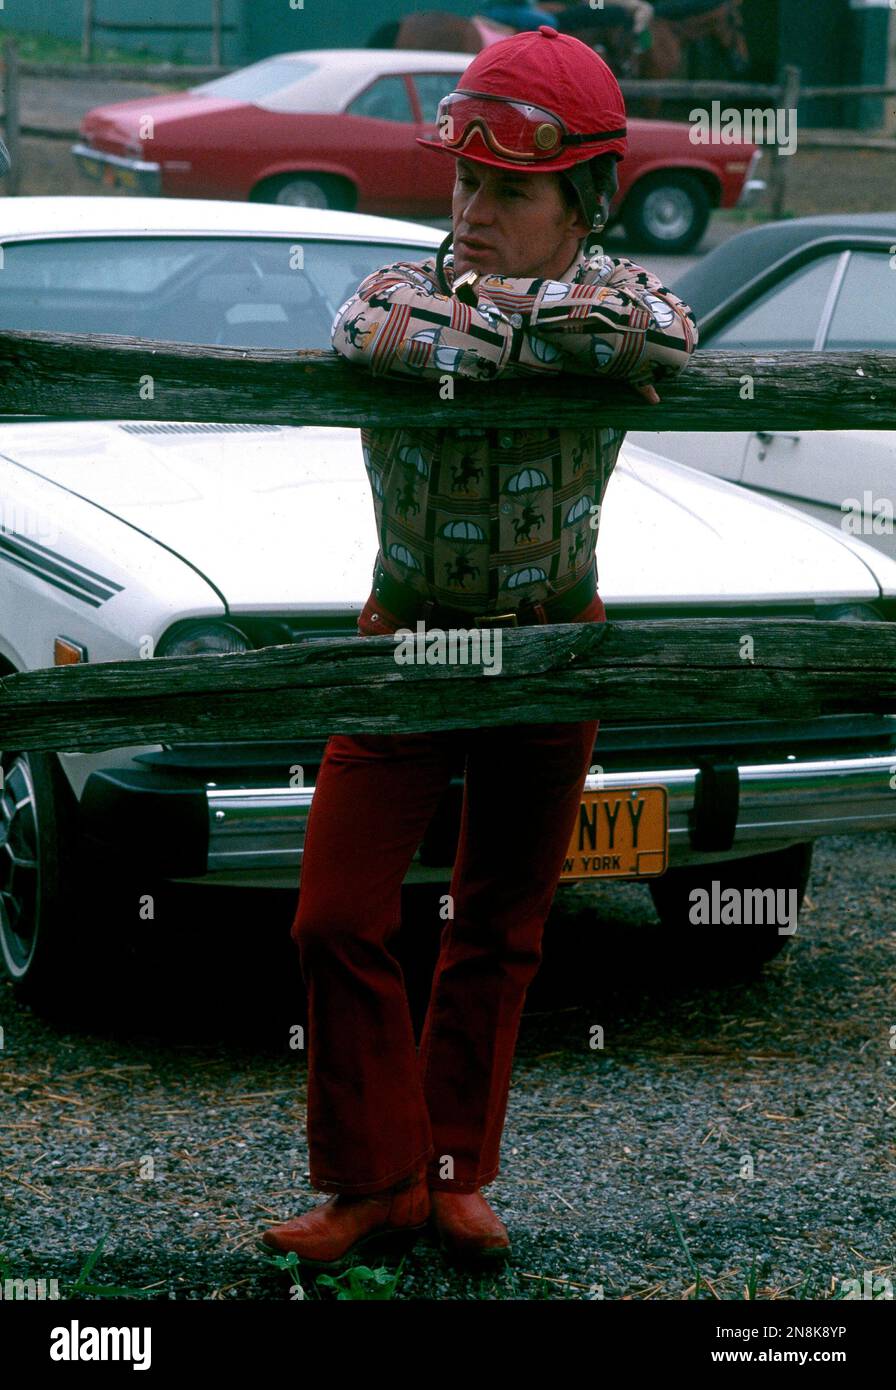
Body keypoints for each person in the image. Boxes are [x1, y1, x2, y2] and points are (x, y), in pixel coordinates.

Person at [261, 26, 697, 1272]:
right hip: (406, 646)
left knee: (498, 920)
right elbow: (378, 330)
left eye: (508, 191)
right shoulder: (396, 292)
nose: (471, 212)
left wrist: (513, 326)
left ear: (584, 202)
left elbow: (662, 332)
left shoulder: (621, 302)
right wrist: (537, 336)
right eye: (463, 183)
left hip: (557, 648)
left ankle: (450, 1177)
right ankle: (372, 1176)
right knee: (332, 914)